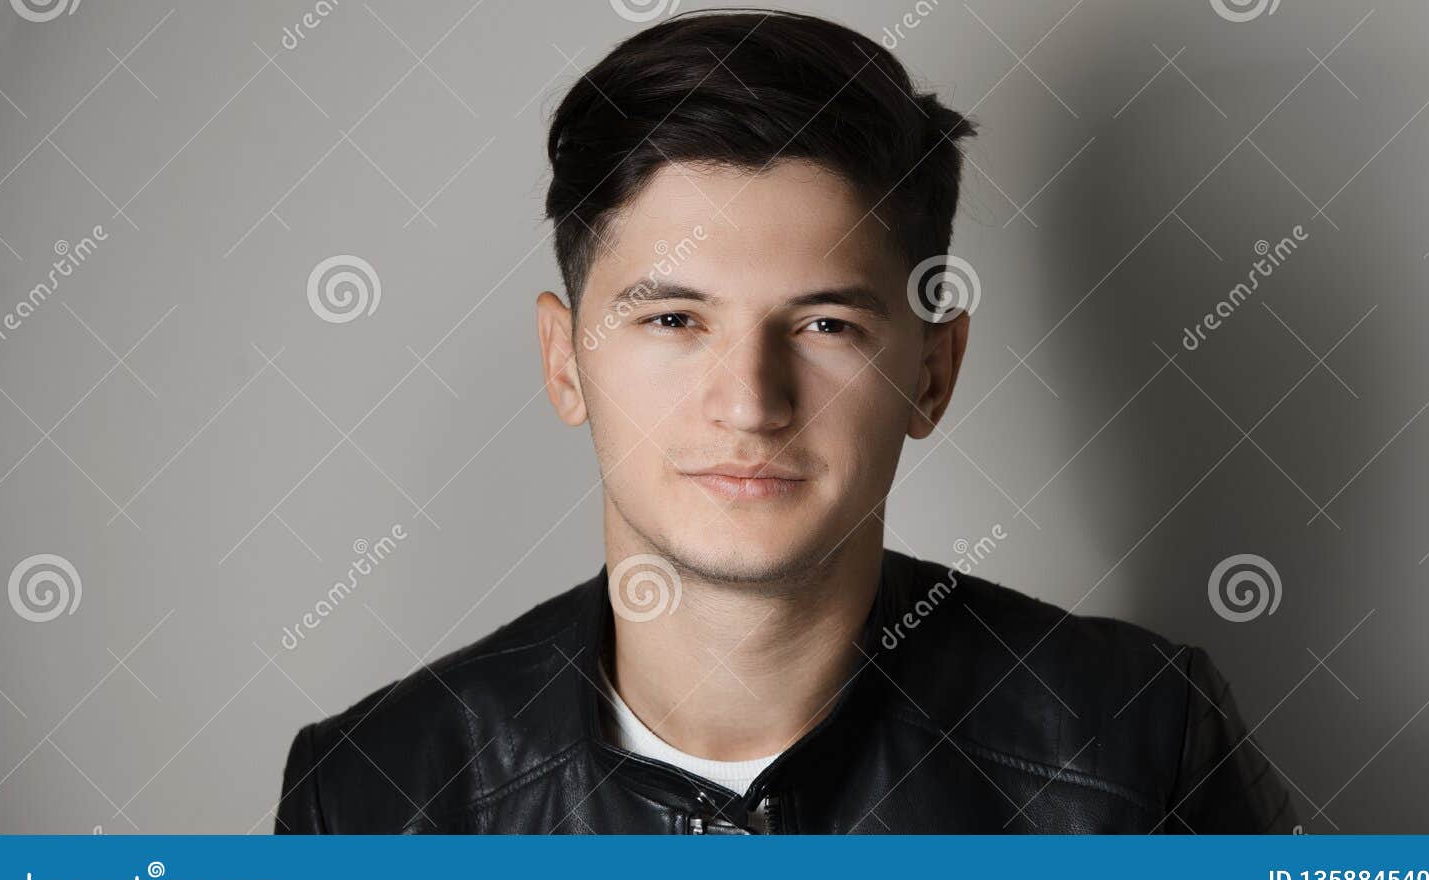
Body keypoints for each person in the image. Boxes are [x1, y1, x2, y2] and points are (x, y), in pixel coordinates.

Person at [274, 9, 1297, 834]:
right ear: (564, 360)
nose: (750, 401)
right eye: (674, 319)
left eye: (823, 322)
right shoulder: (373, 798)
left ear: (932, 371)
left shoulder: (1134, 739)